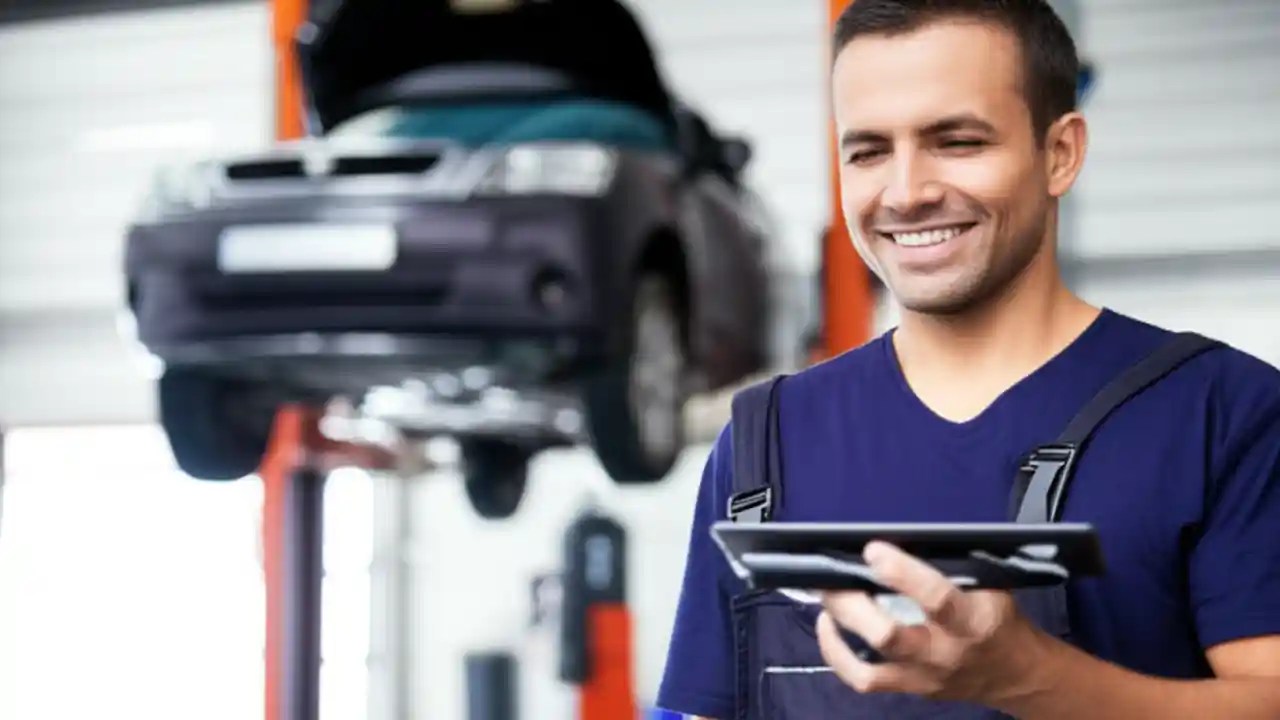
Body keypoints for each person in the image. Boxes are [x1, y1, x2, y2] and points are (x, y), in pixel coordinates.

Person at [655, 1, 1280, 718]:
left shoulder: (1225, 415)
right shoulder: (764, 444)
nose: (907, 191)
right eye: (867, 151)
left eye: (956, 141)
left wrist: (1034, 679)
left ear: (1060, 153)